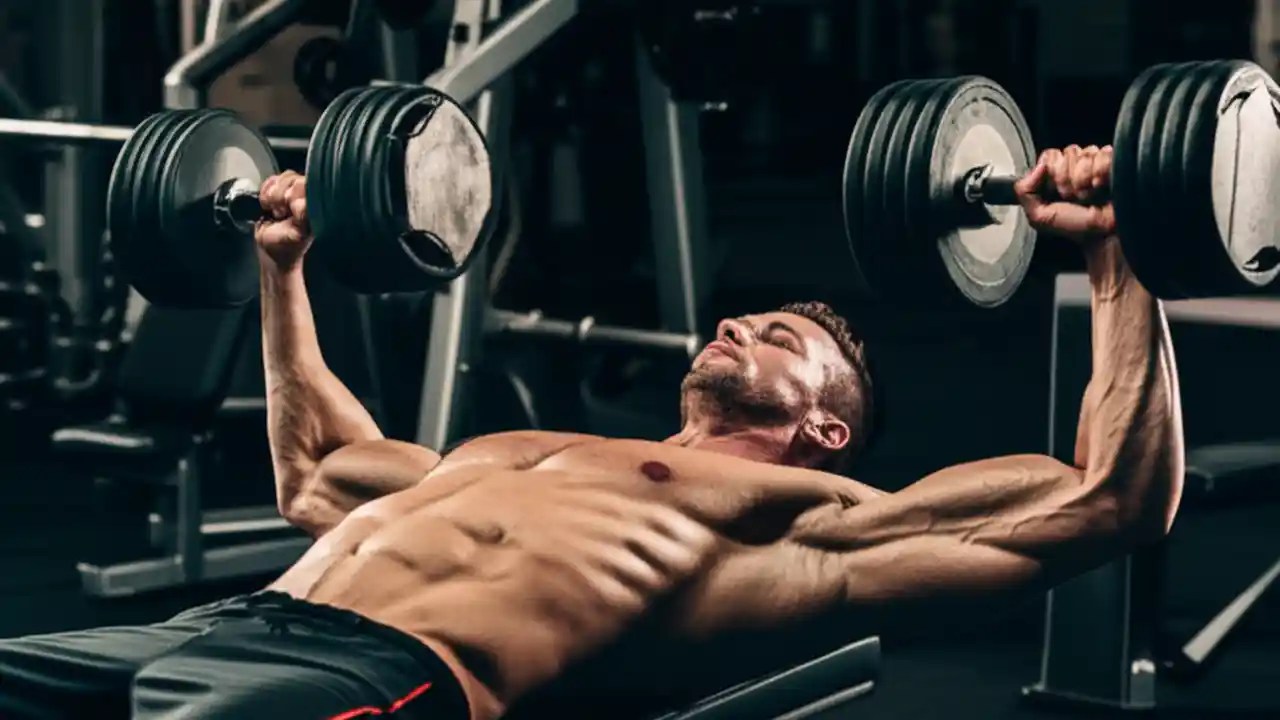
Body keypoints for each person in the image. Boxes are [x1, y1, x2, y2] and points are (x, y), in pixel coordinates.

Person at [0, 144, 1182, 720]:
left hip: (371, 673)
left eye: (778, 336)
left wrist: (1114, 252)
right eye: (742, 317)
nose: (734, 324)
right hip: (218, 621)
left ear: (826, 426)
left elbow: (1105, 499)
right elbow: (315, 475)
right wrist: (282, 268)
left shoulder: (806, 524)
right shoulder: (508, 458)